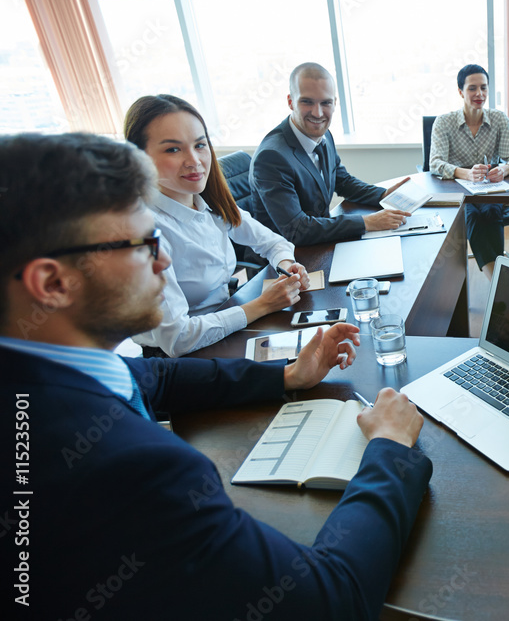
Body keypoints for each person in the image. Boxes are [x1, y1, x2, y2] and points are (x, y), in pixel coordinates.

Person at [1, 132, 432, 620]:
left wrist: (288, 375)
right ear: (53, 283)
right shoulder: (133, 472)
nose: (165, 261)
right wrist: (391, 448)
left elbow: (152, 377)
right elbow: (333, 602)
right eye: (145, 245)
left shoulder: (41, 363)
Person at [124, 94, 305, 357]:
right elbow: (178, 339)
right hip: (182, 359)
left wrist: (288, 267)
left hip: (228, 326)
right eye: (173, 149)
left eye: (199, 145)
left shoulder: (207, 201)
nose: (194, 161)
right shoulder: (145, 233)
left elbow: (273, 242)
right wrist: (263, 305)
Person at [250, 62, 411, 244]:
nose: (318, 113)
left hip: (321, 243)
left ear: (335, 103)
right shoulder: (272, 157)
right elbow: (297, 230)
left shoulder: (324, 134)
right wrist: (367, 222)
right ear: (290, 102)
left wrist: (383, 195)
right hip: (287, 260)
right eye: (307, 102)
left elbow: (343, 181)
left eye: (325, 103)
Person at [429, 64, 509, 280]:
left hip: (489, 190)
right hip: (457, 192)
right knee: (472, 213)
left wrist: (504, 168)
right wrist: (465, 173)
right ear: (460, 91)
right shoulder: (444, 123)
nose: (479, 94)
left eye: (483, 88)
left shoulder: (499, 119)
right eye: (472, 88)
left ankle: (497, 283)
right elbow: (435, 163)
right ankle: (499, 282)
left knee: (490, 210)